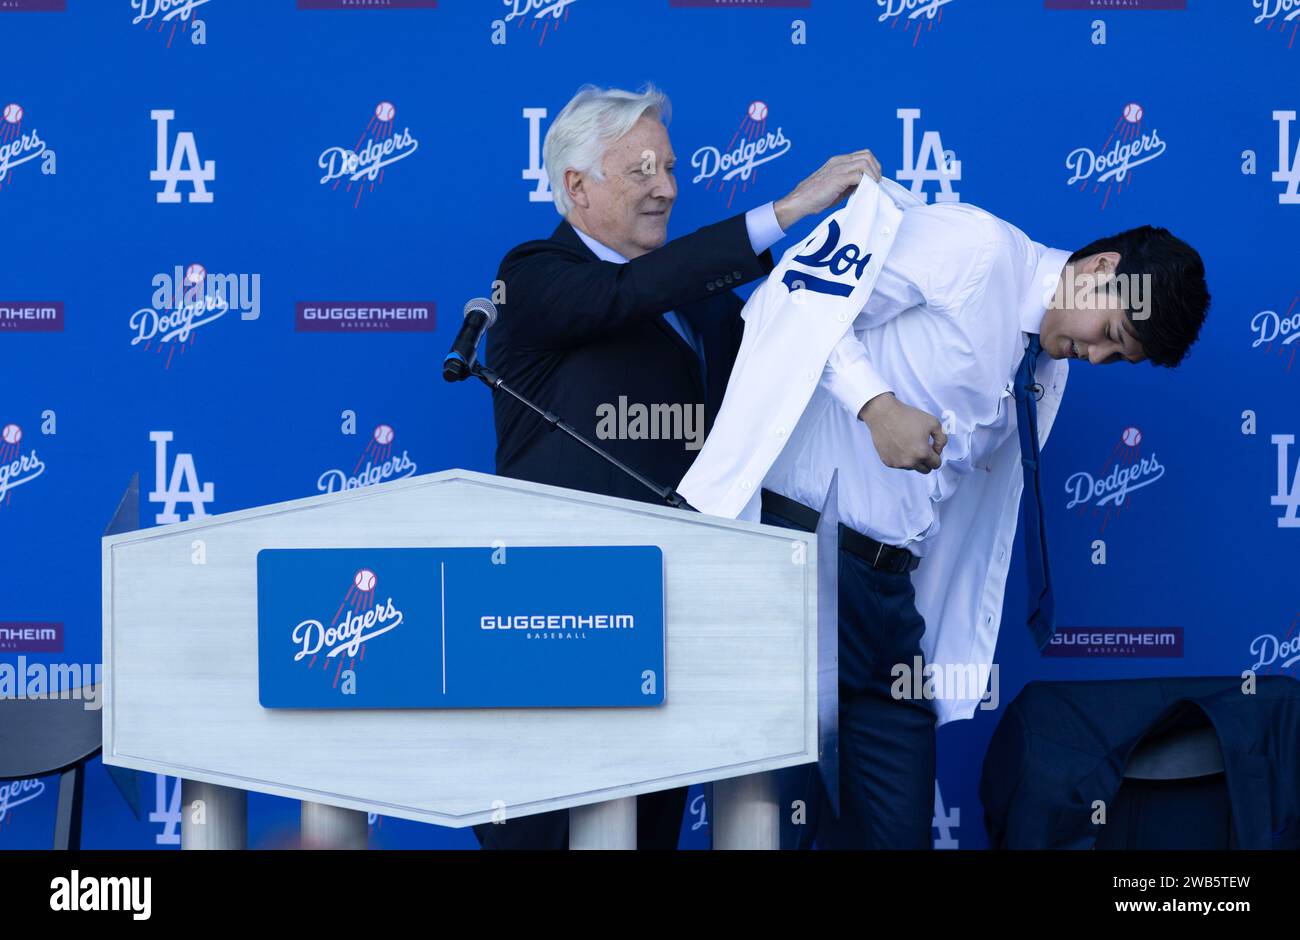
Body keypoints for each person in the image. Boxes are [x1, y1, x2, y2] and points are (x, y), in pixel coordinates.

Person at [678, 175, 1211, 849]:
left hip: (888, 606)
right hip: (799, 564)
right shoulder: (976, 249)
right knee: (765, 828)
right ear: (1103, 270)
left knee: (897, 837)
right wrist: (877, 405)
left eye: (1114, 356)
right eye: (1106, 331)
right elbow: (797, 292)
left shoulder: (1045, 366)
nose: (1095, 354)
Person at [479, 82, 884, 850]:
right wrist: (787, 212)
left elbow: (793, 354)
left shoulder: (703, 301)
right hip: (552, 625)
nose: (667, 188)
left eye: (670, 167)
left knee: (649, 831)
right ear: (577, 187)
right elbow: (624, 295)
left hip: (668, 623)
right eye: (642, 171)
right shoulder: (533, 273)